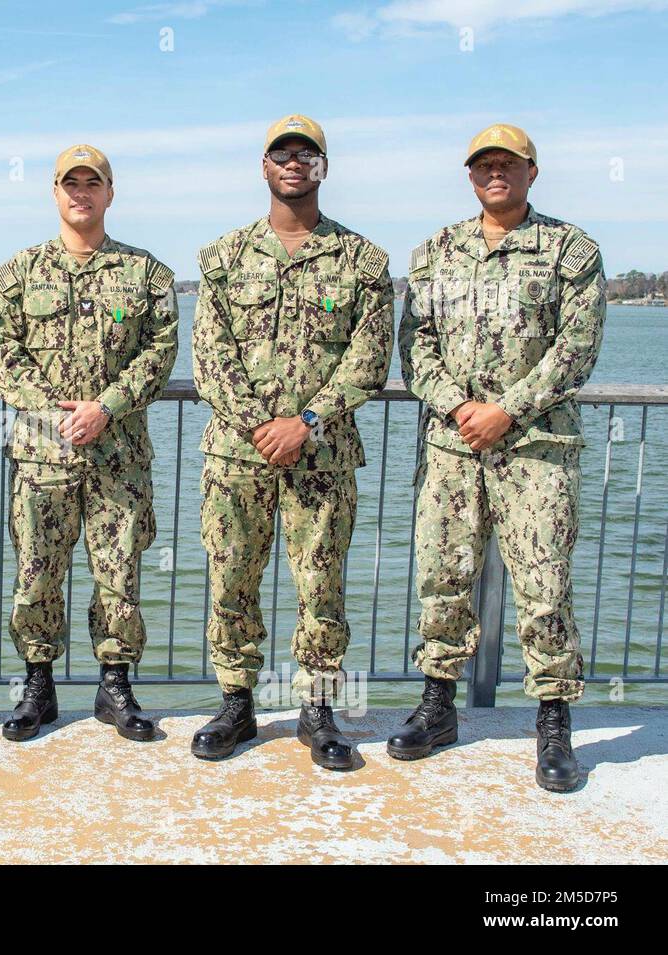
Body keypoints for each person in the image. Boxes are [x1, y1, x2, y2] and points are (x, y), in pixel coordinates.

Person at [394, 124, 605, 792]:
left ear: (532, 173)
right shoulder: (435, 253)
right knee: (443, 578)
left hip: (536, 448)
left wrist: (507, 408)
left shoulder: (572, 250)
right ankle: (438, 706)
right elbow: (415, 344)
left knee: (544, 586)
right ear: (470, 175)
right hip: (452, 447)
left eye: (508, 164)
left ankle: (553, 720)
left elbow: (577, 347)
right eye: (484, 165)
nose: (495, 174)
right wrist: (460, 406)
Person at [190, 115, 394, 768]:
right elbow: (210, 357)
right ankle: (236, 702)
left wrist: (304, 421)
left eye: (308, 152)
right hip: (236, 454)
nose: (294, 161)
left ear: (324, 167)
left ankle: (319, 709)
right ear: (264, 166)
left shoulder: (365, 261)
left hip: (322, 453)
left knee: (322, 584)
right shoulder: (221, 259)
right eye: (282, 151)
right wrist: (260, 425)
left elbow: (369, 357)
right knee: (231, 580)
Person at [0, 144, 178, 742]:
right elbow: (4, 355)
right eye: (70, 184)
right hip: (43, 457)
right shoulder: (16, 274)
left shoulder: (147, 273)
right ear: (54, 193)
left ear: (109, 193)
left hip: (117, 456)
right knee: (36, 573)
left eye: (91, 183)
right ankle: (37, 687)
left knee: (119, 574)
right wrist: (54, 414)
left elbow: (160, 351)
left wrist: (106, 407)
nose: (80, 193)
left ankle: (114, 685)